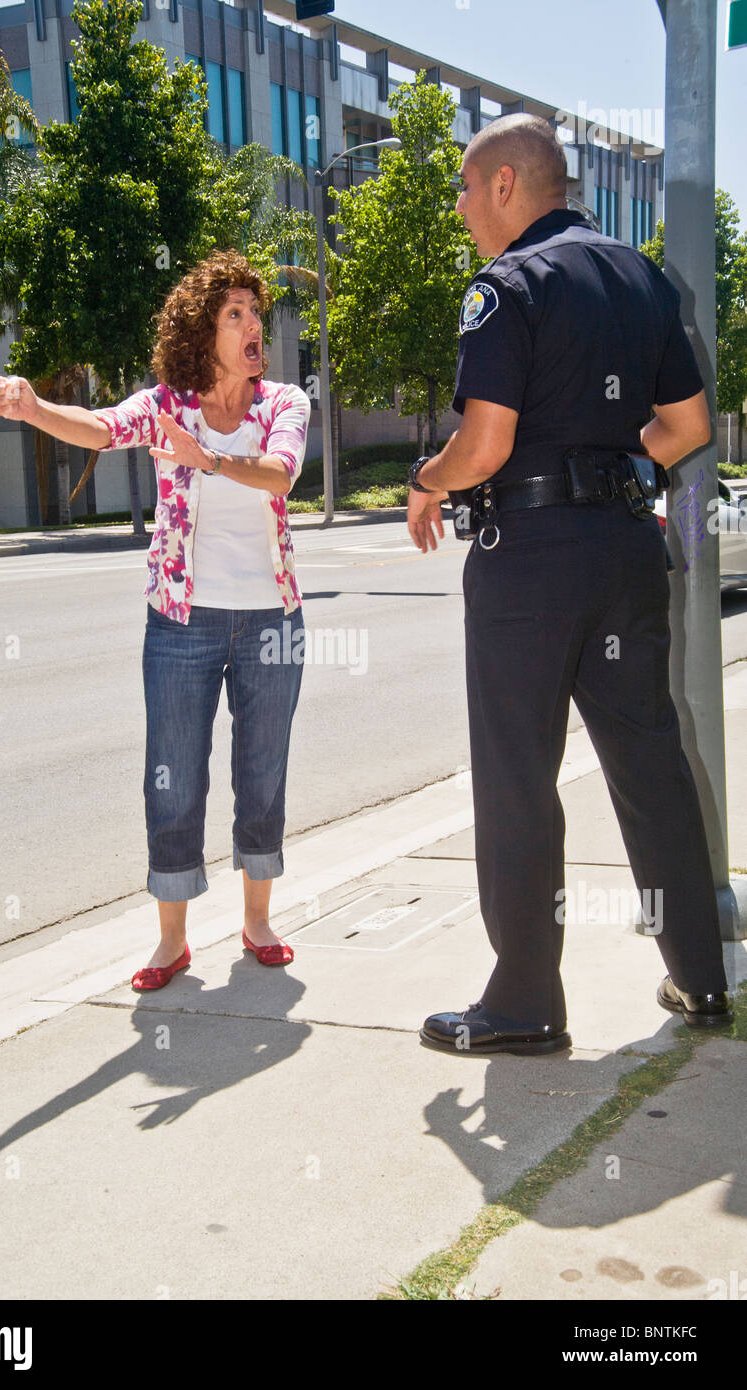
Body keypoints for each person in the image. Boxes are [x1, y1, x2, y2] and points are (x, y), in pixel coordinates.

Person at [405, 113, 732, 1055]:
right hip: (628, 548)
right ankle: (702, 980)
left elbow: (486, 444)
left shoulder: (508, 286)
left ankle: (524, 1005)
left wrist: (427, 480)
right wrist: (612, 472)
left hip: (531, 561)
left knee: (518, 776)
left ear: (508, 184)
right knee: (651, 763)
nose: (464, 209)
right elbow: (688, 424)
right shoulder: (640, 277)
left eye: (468, 189)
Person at [0, 249, 310, 990]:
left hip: (271, 621)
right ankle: (172, 939)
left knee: (261, 772)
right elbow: (100, 428)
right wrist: (33, 407)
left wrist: (213, 460)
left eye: (256, 312)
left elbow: (283, 474)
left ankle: (257, 920)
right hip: (181, 621)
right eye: (236, 314)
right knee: (172, 777)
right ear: (204, 329)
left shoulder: (282, 402)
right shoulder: (165, 405)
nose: (254, 324)